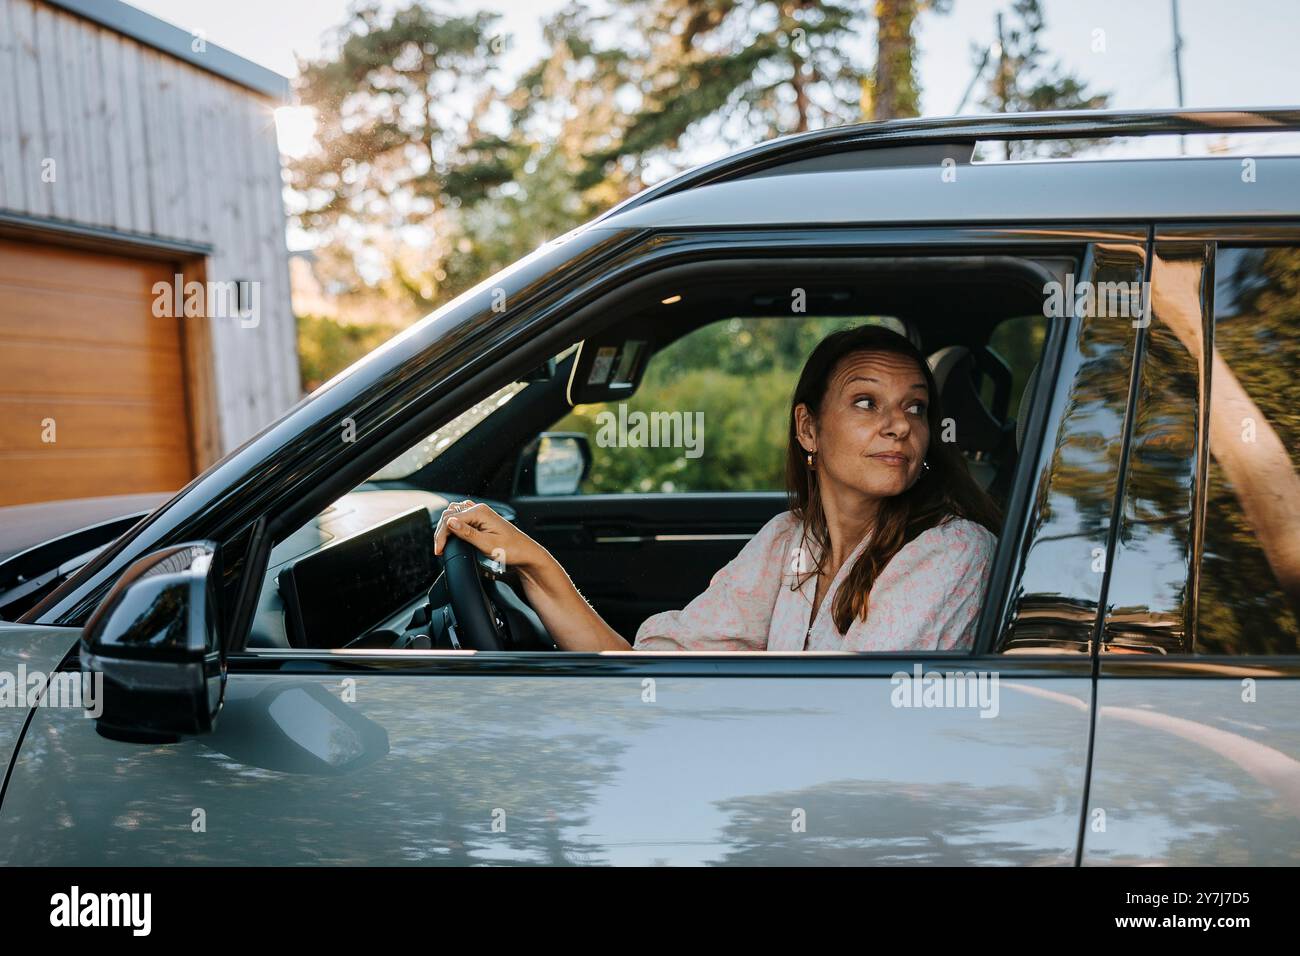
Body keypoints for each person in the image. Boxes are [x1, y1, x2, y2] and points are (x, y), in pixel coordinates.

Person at [434, 325, 1001, 651]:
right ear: (809, 428)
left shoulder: (953, 551)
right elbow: (651, 671)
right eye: (865, 402)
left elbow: (845, 719)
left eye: (915, 408)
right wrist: (535, 565)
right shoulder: (789, 540)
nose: (899, 425)